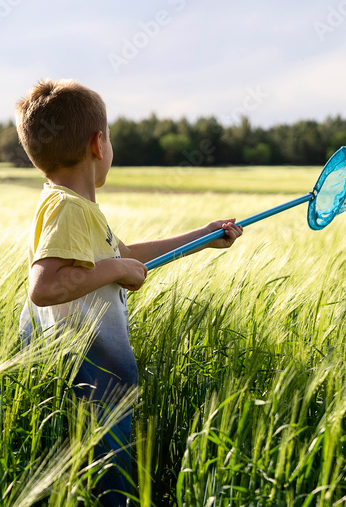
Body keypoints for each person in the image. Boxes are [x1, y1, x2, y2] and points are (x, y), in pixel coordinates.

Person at [15, 78, 243, 505]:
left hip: (93, 384)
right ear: (98, 144)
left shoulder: (73, 206)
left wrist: (203, 237)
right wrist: (114, 269)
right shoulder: (67, 207)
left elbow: (126, 254)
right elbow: (44, 286)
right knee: (108, 489)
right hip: (92, 386)